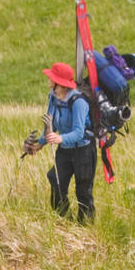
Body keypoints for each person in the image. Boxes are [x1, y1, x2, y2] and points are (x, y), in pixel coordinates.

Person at [22, 62, 96, 224]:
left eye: (51, 77)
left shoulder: (79, 102)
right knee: (55, 179)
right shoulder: (53, 97)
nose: (48, 79)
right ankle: (65, 221)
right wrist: (39, 145)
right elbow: (51, 125)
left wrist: (59, 138)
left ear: (60, 83)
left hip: (83, 150)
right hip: (65, 149)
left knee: (83, 191)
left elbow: (78, 132)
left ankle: (86, 228)